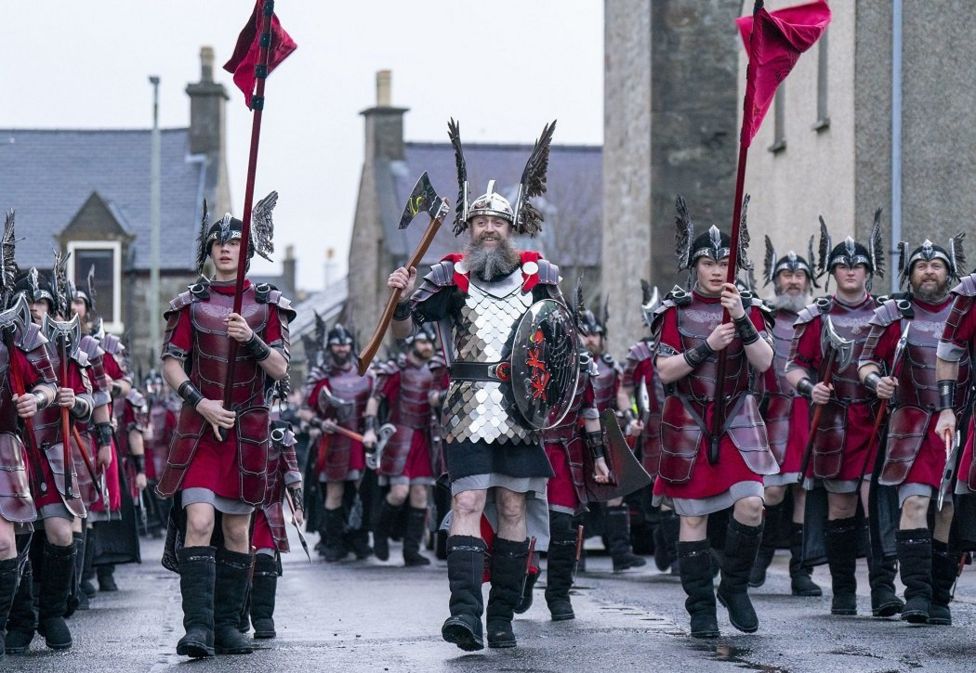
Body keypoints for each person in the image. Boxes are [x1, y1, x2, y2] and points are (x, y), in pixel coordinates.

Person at [388, 119, 577, 651]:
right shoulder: (450, 277)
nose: (489, 228)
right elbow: (409, 322)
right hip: (469, 408)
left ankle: (502, 619)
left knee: (514, 510)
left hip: (521, 409)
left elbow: (563, 348)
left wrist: (555, 405)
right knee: (468, 504)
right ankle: (465, 616)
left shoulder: (542, 277)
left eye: (497, 220)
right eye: (480, 221)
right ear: (468, 229)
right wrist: (400, 296)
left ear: (511, 227)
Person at [157, 200, 293, 658]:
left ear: (247, 251)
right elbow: (171, 365)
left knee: (238, 533)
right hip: (201, 429)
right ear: (209, 250)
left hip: (248, 429)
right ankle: (196, 627)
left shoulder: (268, 304)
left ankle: (228, 626)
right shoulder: (190, 303)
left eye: (234, 242)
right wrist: (201, 402)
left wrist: (250, 339)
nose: (225, 249)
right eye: (218, 242)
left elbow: (279, 367)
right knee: (199, 519)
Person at [651, 197, 776, 638]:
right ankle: (701, 608)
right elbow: (665, 370)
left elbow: (764, 363)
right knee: (693, 518)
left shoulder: (753, 308)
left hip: (738, 416)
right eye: (709, 262)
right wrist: (706, 347)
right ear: (695, 266)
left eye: (725, 261)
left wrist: (742, 320)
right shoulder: (675, 311)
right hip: (688, 419)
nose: (718, 269)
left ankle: (735, 587)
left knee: (751, 504)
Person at [786, 215, 904, 618]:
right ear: (833, 271)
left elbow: (905, 362)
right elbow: (794, 366)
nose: (850, 270)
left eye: (857, 265)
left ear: (868, 271)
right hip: (834, 424)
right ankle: (843, 591)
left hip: (878, 421)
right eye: (842, 265)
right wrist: (810, 388)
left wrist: (892, 385)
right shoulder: (816, 318)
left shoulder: (889, 316)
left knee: (877, 503)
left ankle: (884, 590)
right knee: (840, 508)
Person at [861, 236, 968, 625]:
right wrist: (877, 383)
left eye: (936, 264)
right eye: (921, 265)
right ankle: (917, 595)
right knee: (915, 503)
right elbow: (866, 363)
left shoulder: (964, 311)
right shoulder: (894, 313)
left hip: (957, 421)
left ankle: (940, 594)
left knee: (948, 510)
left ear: (948, 272)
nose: (928, 270)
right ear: (910, 274)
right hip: (910, 424)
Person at [748, 239, 822, 596]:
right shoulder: (763, 317)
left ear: (809, 282)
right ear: (775, 281)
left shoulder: (819, 318)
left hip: (810, 412)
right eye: (786, 274)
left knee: (804, 492)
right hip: (772, 413)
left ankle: (800, 570)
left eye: (799, 275)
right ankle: (758, 560)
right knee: (773, 490)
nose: (793, 281)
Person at [367, 324, 448, 567]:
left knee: (421, 494)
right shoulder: (396, 370)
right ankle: (379, 535)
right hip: (399, 436)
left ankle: (411, 551)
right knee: (399, 492)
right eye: (423, 342)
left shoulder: (435, 370)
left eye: (430, 343)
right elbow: (375, 398)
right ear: (413, 343)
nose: (427, 347)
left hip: (424, 437)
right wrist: (370, 428)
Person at [304, 324, 375, 562]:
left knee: (361, 492)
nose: (342, 348)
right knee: (334, 491)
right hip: (332, 444)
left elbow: (376, 403)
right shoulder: (320, 375)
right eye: (337, 344)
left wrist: (373, 430)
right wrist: (318, 422)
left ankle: (359, 539)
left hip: (360, 441)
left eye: (345, 344)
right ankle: (333, 542)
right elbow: (304, 410)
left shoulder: (365, 372)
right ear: (330, 347)